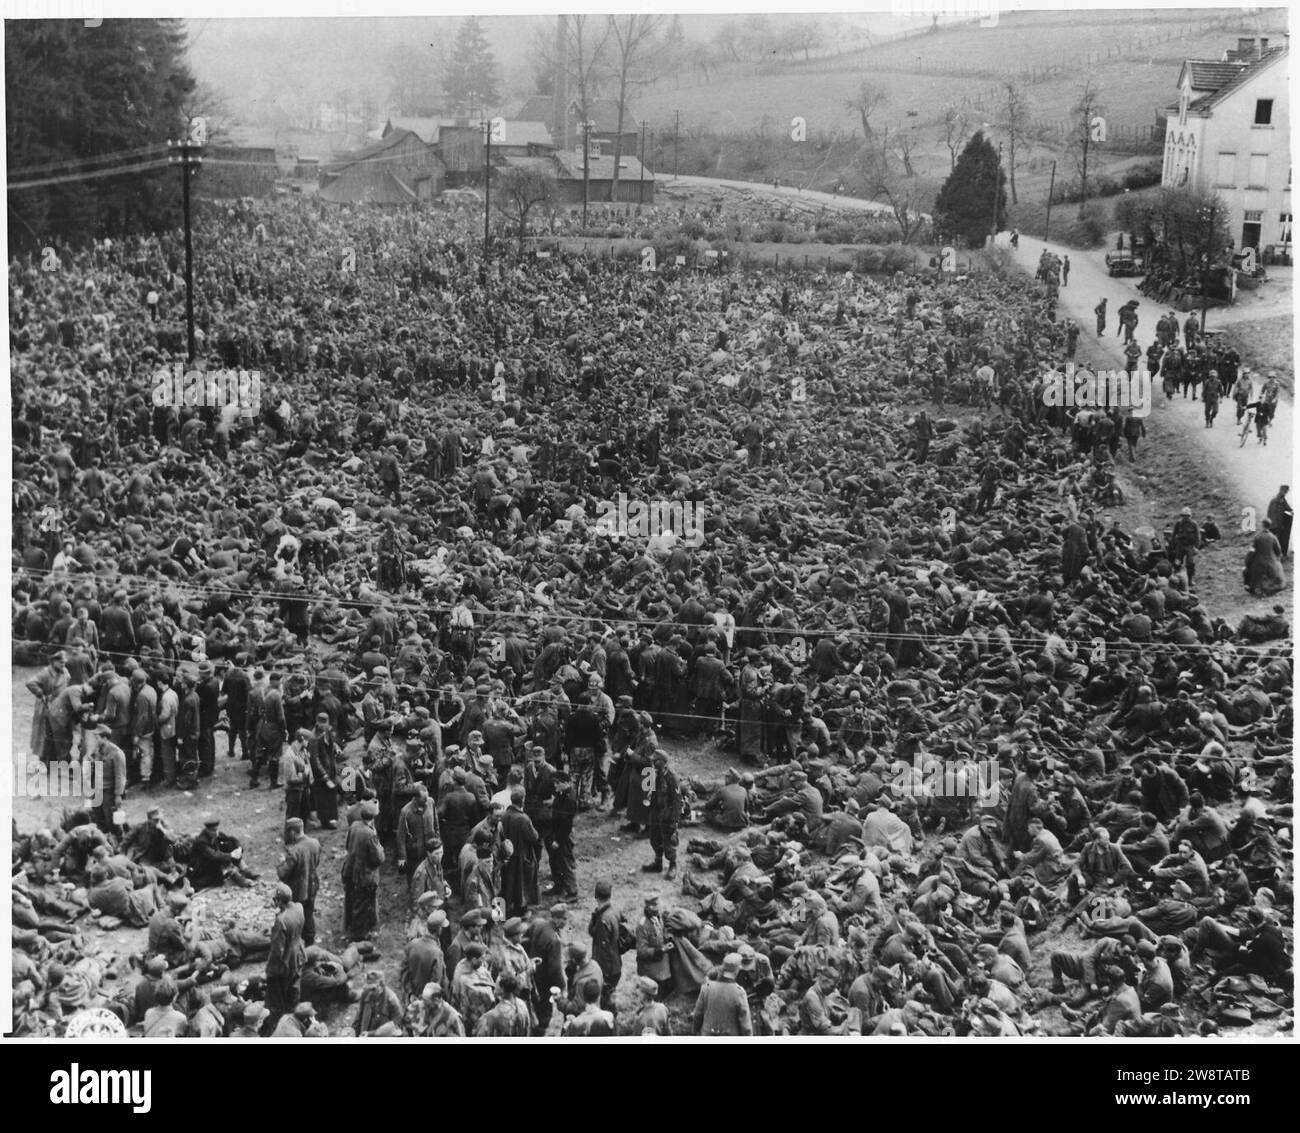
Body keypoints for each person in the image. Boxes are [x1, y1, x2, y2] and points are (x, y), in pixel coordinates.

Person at [344, 799, 385, 940]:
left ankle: (352, 928)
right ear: (373, 817)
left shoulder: (355, 825)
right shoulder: (370, 834)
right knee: (363, 905)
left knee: (355, 901)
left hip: (351, 870)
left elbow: (347, 845)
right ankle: (359, 936)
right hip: (365, 875)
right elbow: (379, 859)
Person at [277, 817, 321, 946]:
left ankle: (296, 943)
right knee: (309, 914)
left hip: (298, 890)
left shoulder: (294, 851)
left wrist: (280, 863)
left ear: (292, 832)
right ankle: (310, 943)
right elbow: (316, 862)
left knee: (297, 915)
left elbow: (283, 874)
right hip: (312, 885)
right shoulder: (314, 842)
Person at [266, 882, 306, 1022]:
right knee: (294, 986)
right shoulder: (299, 908)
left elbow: (278, 950)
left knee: (277, 994)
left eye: (274, 899)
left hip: (286, 960)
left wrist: (271, 969)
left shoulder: (280, 921)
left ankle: (279, 1021)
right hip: (299, 953)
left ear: (278, 901)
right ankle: (295, 1013)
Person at [499, 785, 542, 916]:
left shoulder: (504, 815)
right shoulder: (523, 818)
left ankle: (499, 914)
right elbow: (534, 837)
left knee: (505, 884)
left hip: (506, 854)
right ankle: (520, 911)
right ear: (522, 800)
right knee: (521, 884)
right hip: (521, 856)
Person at [692, 953, 752, 1036]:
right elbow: (745, 1025)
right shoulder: (739, 992)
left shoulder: (706, 987)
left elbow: (697, 1014)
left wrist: (695, 1031)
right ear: (737, 970)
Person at [643, 749, 681, 879]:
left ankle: (673, 865)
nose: (652, 763)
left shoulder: (672, 777)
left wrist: (675, 821)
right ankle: (657, 863)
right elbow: (648, 790)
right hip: (655, 811)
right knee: (654, 838)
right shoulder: (653, 773)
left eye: (655, 761)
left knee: (669, 841)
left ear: (662, 762)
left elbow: (677, 802)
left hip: (667, 814)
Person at [588, 878, 622, 1013]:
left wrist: (602, 973)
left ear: (596, 896)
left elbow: (603, 951)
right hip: (615, 963)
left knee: (606, 1001)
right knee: (609, 996)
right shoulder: (614, 911)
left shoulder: (603, 920)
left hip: (607, 968)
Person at [1266, 486, 1292, 556]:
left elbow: (1288, 508)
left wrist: (1291, 511)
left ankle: (1276, 555)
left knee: (1277, 540)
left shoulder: (1282, 500)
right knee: (1274, 540)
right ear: (1281, 490)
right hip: (1274, 525)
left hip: (1278, 525)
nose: (1285, 493)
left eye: (1286, 492)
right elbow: (1271, 513)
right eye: (1285, 491)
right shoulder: (1275, 500)